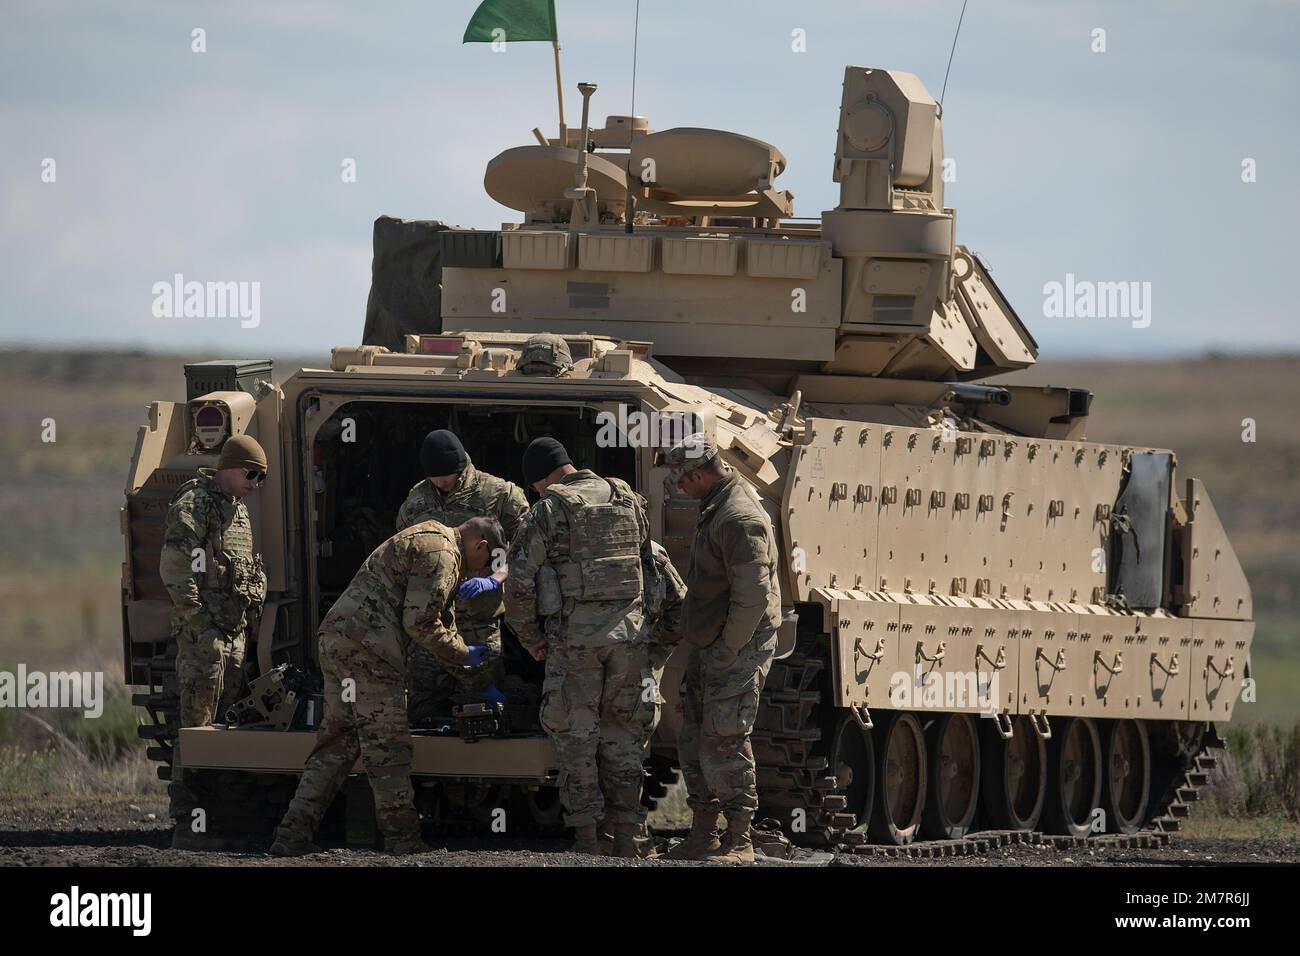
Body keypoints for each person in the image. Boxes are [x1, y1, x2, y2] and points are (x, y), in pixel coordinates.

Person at [269, 516, 503, 856]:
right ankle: (403, 841)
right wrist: (464, 654)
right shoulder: (442, 554)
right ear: (480, 545)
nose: (479, 573)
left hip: (339, 640)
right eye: (486, 564)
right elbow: (421, 623)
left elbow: (440, 626)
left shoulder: (431, 538)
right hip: (370, 650)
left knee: (338, 744)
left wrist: (476, 680)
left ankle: (291, 835)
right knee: (388, 748)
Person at [503, 437, 655, 857]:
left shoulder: (547, 511)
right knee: (624, 736)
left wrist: (531, 640)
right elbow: (650, 566)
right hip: (628, 640)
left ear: (541, 477)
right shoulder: (626, 497)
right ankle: (627, 837)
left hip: (575, 645)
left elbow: (516, 586)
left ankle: (589, 841)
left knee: (576, 738)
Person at [663, 433, 781, 863]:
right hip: (711, 644)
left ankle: (740, 840)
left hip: (736, 647)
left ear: (697, 474)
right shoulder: (716, 507)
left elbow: (753, 597)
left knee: (725, 737)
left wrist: (728, 650)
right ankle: (704, 835)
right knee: (694, 736)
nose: (678, 490)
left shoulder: (738, 517)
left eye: (681, 481)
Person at [158, 433, 268, 847]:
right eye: (252, 474)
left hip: (233, 634)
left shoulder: (238, 512)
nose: (256, 483)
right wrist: (197, 619)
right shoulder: (196, 503)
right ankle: (190, 826)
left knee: (225, 729)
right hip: (205, 637)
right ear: (229, 467)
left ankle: (221, 821)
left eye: (261, 478)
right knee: (196, 730)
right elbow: (175, 565)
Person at [396, 429, 527, 722]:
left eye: (448, 476)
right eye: (435, 477)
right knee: (423, 709)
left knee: (483, 709)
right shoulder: (416, 501)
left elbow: (526, 549)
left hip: (479, 622)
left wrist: (496, 577)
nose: (441, 483)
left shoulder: (500, 495)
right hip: (430, 625)